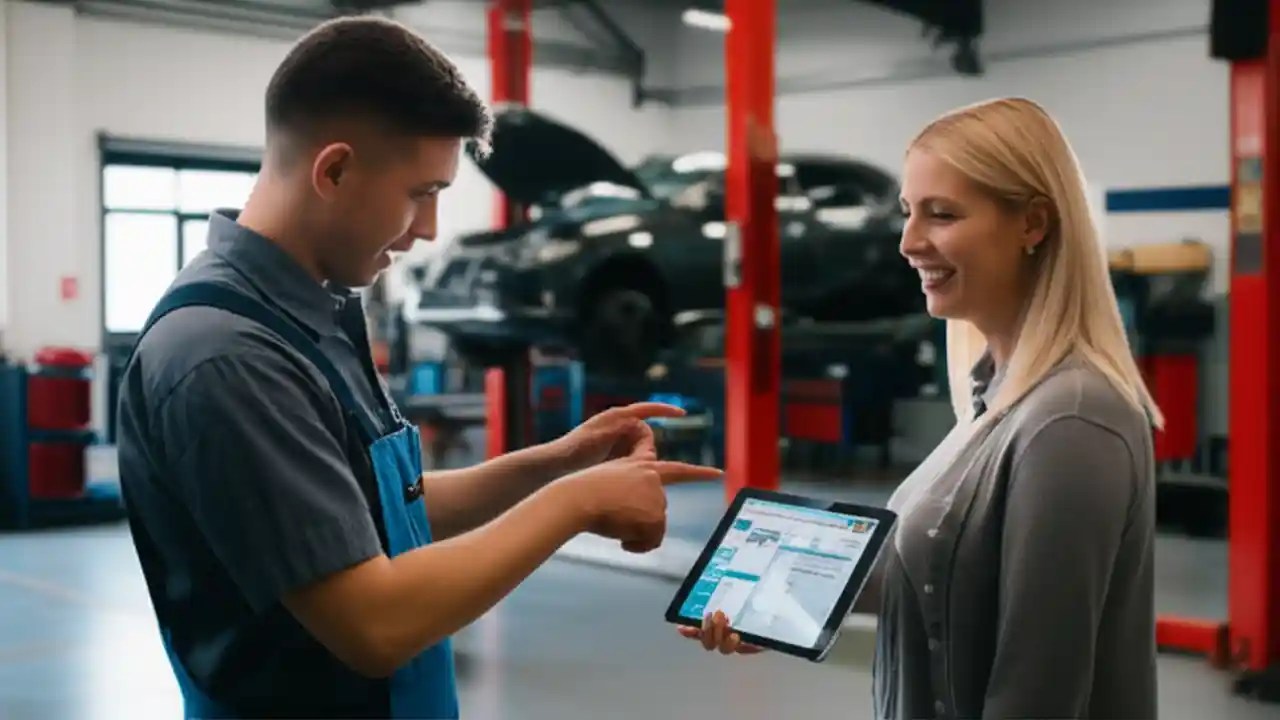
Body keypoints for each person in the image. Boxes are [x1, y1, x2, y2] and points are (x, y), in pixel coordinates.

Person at [116, 16, 721, 720]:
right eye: (420, 193)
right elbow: (375, 624)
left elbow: (379, 509)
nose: (428, 229)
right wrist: (578, 505)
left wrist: (557, 463)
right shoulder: (226, 355)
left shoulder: (310, 310)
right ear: (333, 170)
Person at [682, 97, 1161, 720]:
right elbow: (941, 575)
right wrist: (780, 601)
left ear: (1033, 224)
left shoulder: (1069, 421)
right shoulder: (997, 395)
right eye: (909, 213)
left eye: (942, 214)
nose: (909, 242)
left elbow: (1034, 695)